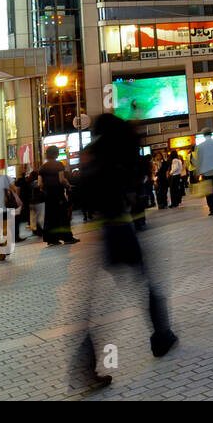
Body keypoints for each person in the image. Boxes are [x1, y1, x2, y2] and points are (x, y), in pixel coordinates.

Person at [72, 113, 177, 391]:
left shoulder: (91, 154)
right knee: (147, 284)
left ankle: (85, 367)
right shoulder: (121, 150)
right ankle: (161, 337)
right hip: (122, 229)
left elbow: (81, 193)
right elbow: (136, 181)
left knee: (95, 305)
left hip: (99, 233)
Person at [39, 146, 78, 245]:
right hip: (58, 194)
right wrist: (68, 185)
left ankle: (51, 239)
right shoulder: (59, 165)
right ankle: (67, 238)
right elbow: (61, 180)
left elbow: (40, 184)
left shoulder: (42, 167)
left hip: (48, 196)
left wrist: (45, 189)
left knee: (50, 217)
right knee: (63, 216)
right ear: (56, 154)